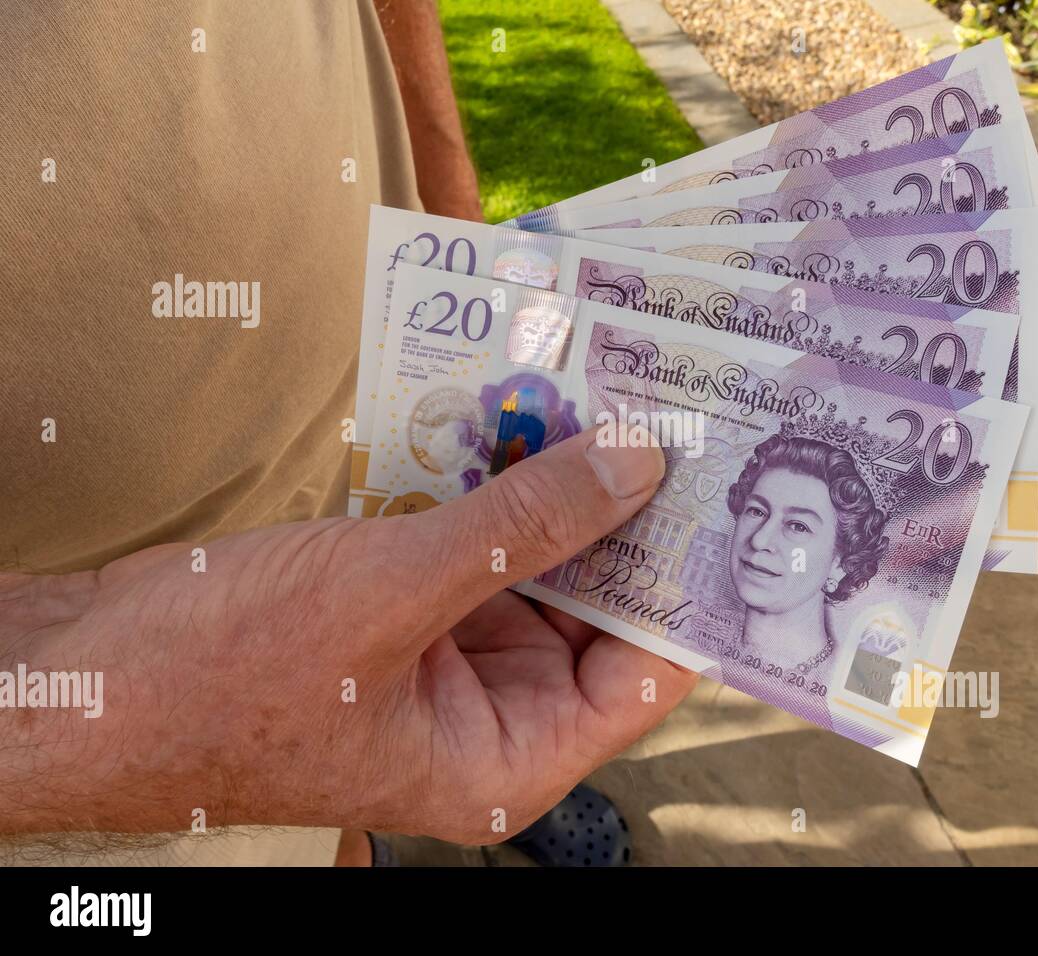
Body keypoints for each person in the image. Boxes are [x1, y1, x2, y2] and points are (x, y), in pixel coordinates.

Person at [0, 0, 695, 866]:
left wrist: (454, 211)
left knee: (405, 732)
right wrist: (54, 724)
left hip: (355, 424)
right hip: (82, 718)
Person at [724, 434, 890, 682]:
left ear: (842, 563)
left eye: (798, 526)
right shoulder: (694, 637)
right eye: (757, 511)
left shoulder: (855, 682)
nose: (759, 540)